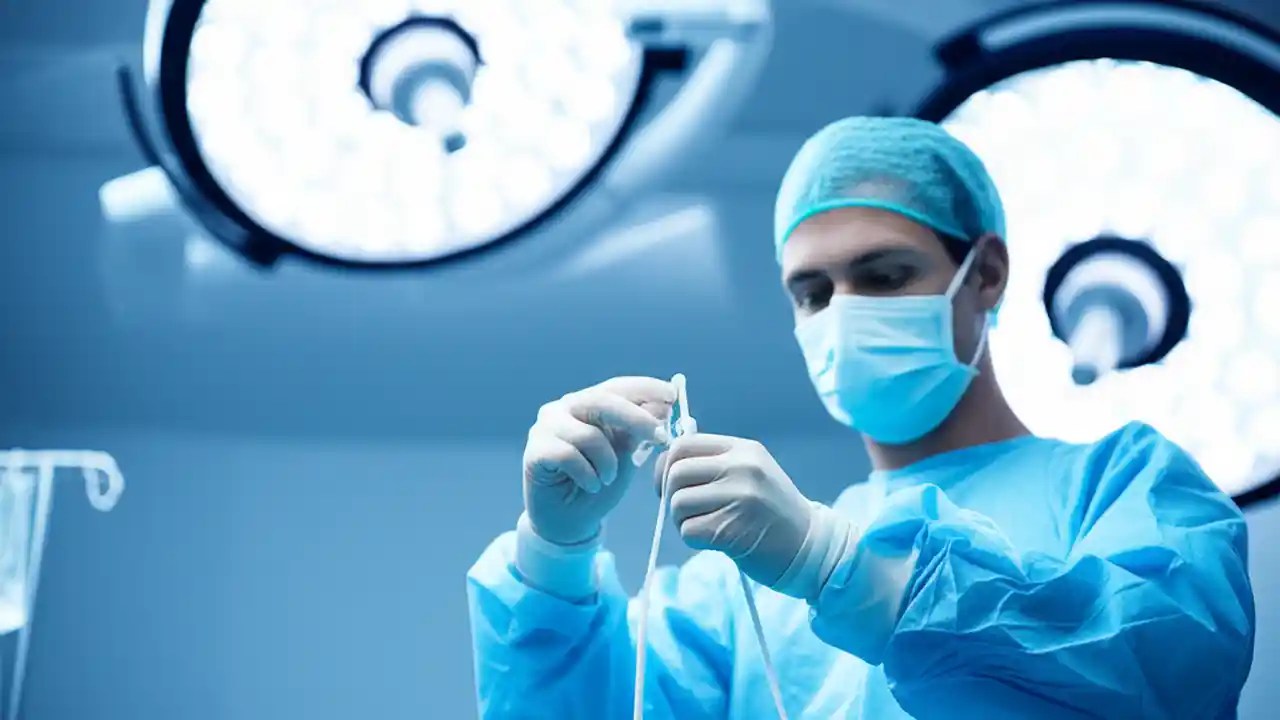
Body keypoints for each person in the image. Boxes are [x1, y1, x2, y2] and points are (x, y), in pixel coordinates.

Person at [466, 116, 1255, 718]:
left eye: (883, 274)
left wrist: (842, 569)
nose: (841, 314)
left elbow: (1164, 667)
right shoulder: (733, 601)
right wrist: (555, 555)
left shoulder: (1123, 486)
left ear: (985, 275)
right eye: (811, 293)